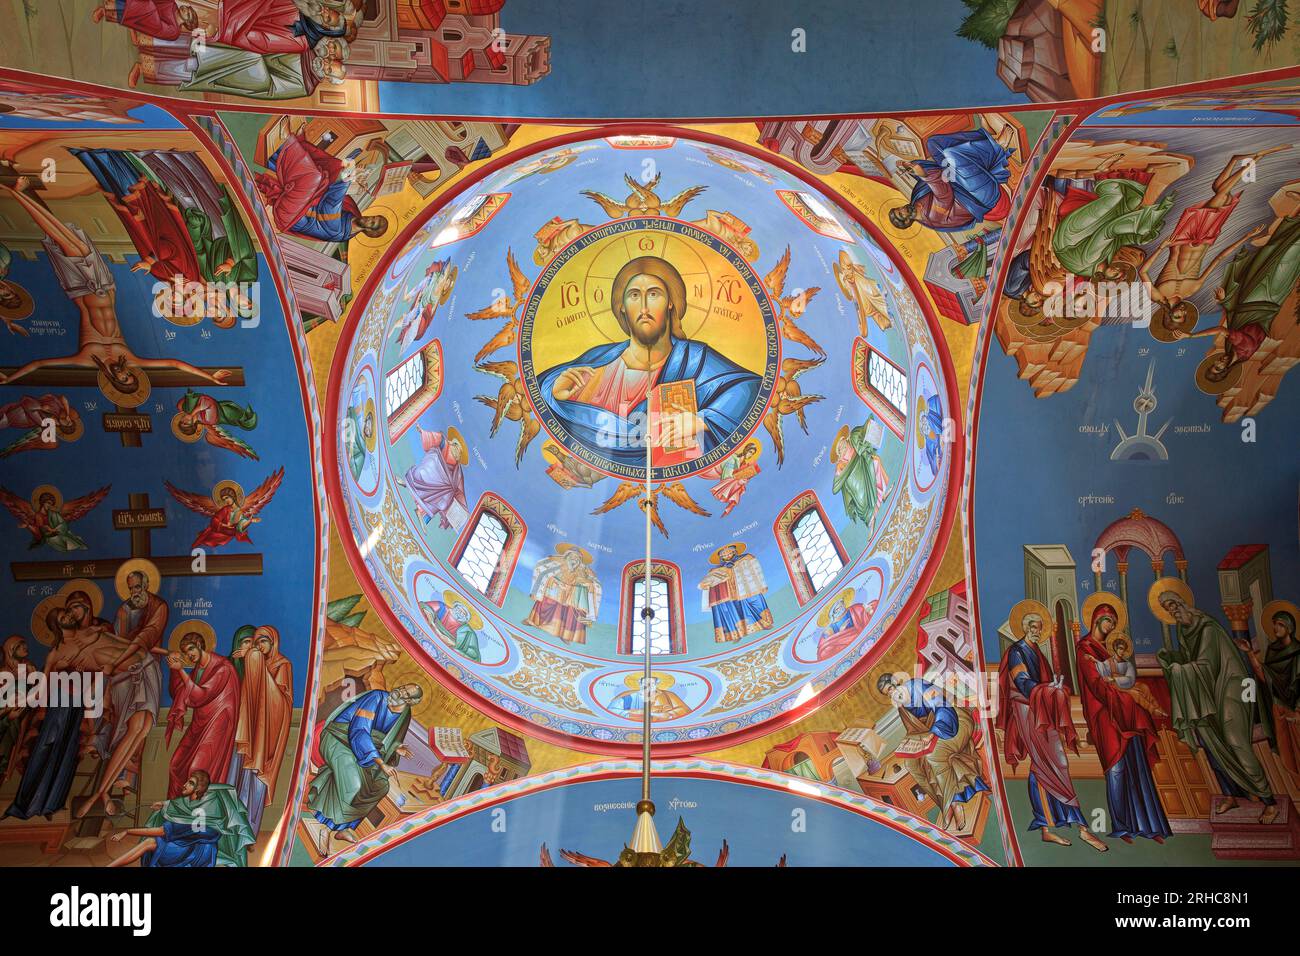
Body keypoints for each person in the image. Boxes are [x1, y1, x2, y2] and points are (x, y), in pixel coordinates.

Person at [0, 180, 232, 392]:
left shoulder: (87, 358)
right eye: (130, 377)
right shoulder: (129, 358)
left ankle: (18, 193)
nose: (125, 374)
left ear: (112, 380)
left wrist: (11, 379)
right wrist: (208, 377)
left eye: (122, 379)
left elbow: (40, 364)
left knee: (62, 240)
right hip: (106, 286)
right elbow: (173, 363)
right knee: (69, 239)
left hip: (80, 290)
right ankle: (21, 193)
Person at [537, 256, 761, 468]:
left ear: (671, 303)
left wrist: (703, 420)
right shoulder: (598, 361)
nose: (644, 307)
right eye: (634, 295)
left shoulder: (695, 359)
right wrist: (555, 396)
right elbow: (543, 396)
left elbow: (750, 389)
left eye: (654, 294)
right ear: (622, 306)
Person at [1154, 581, 1278, 823]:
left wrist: (1180, 670)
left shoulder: (1207, 627)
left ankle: (1269, 800)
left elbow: (1207, 664)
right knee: (1210, 742)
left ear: (1182, 603)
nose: (1172, 612)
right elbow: (1193, 660)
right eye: (1168, 610)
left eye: (1173, 605)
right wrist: (1172, 658)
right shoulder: (1183, 630)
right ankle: (1230, 794)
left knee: (1236, 742)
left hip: (1229, 688)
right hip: (1207, 691)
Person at [997, 604, 1107, 851]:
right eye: (1033, 627)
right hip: (1027, 711)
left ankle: (1048, 826)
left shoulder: (1037, 651)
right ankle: (1081, 828)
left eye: (1040, 627)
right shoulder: (1017, 651)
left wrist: (1053, 688)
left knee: (1048, 765)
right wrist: (1048, 690)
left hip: (1042, 709)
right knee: (1052, 763)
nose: (1037, 631)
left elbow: (1041, 682)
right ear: (1024, 628)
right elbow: (1023, 682)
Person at [76, 568, 168, 819]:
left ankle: (109, 790)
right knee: (128, 728)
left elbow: (145, 639)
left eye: (138, 587)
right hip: (125, 672)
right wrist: (115, 665)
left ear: (147, 584)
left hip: (147, 669)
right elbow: (119, 642)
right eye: (130, 588)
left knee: (143, 729)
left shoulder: (159, 606)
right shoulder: (123, 611)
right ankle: (103, 793)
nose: (134, 592)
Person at [1075, 603, 1172, 844]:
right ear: (1097, 620)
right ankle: (1122, 826)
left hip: (1126, 713)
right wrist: (1125, 698)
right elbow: (1096, 685)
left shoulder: (1108, 652)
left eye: (1113, 624)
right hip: (1105, 716)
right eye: (1108, 621)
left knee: (1138, 767)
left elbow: (1122, 677)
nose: (1110, 627)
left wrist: (1126, 695)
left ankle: (1149, 825)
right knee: (1116, 768)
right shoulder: (1084, 648)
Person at [307, 683, 422, 853]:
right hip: (339, 738)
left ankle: (343, 828)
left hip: (367, 751)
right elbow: (359, 730)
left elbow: (388, 739)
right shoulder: (376, 697)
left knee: (380, 786)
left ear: (411, 702)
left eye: (406, 693)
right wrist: (381, 763)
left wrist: (396, 748)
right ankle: (326, 827)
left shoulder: (405, 714)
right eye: (403, 687)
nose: (399, 691)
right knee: (354, 784)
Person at [877, 672, 988, 832]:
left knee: (933, 756)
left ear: (900, 682)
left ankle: (954, 803)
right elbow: (913, 730)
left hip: (954, 724)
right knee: (912, 764)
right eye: (888, 693)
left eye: (892, 688)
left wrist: (934, 732)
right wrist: (910, 745)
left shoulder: (920, 686)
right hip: (930, 736)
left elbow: (943, 707)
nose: (893, 694)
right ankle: (944, 804)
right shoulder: (901, 705)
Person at [256, 132, 388, 243]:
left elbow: (331, 203)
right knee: (330, 170)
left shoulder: (338, 230)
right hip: (305, 206)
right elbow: (333, 198)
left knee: (313, 178)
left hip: (292, 216)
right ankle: (275, 154)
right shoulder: (352, 217)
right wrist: (346, 174)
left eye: (372, 223)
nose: (369, 219)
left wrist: (346, 179)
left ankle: (284, 142)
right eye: (373, 217)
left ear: (368, 231)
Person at [108, 770, 254, 867]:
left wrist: (127, 831)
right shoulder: (191, 801)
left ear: (198, 789)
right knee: (152, 843)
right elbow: (178, 804)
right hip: (186, 843)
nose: (184, 785)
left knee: (150, 842)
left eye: (190, 783)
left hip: (194, 851)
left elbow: (162, 831)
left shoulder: (201, 812)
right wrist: (164, 804)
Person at [228, 625, 293, 832]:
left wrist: (254, 662)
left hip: (269, 735)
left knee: (255, 781)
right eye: (256, 642)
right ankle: (233, 826)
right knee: (240, 779)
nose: (259, 646)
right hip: (252, 732)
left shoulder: (282, 664)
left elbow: (280, 702)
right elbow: (249, 699)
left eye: (264, 641)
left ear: (273, 642)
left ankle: (249, 829)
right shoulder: (255, 664)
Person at [889, 128, 1013, 233]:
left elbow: (927, 182)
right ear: (907, 221)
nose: (901, 209)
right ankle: (999, 145)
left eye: (897, 209)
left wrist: (910, 168)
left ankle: (985, 136)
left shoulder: (916, 201)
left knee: (934, 143)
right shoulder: (932, 217)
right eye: (900, 214)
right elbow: (944, 195)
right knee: (951, 154)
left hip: (958, 185)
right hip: (977, 196)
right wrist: (923, 175)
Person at [165, 630, 240, 799]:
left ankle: (196, 813)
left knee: (197, 770)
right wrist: (175, 670)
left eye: (191, 649)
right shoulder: (198, 669)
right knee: (175, 764)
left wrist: (182, 671)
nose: (189, 655)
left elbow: (201, 696)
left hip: (217, 725)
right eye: (185, 653)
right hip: (200, 723)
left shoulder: (223, 668)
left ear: (199, 645)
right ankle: (177, 808)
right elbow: (179, 692)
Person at [526, 545, 601, 645]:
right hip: (556, 591)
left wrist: (581, 584)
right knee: (548, 602)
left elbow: (591, 583)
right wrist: (557, 583)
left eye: (577, 558)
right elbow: (547, 575)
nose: (574, 560)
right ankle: (533, 621)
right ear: (566, 557)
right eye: (572, 557)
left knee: (572, 612)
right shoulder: (558, 566)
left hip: (573, 595)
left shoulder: (583, 571)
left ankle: (566, 635)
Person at [399, 425, 468, 532]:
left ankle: (421, 512)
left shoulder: (457, 468)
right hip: (435, 465)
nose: (458, 451)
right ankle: (407, 484)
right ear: (454, 443)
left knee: (446, 498)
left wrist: (463, 507)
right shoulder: (445, 444)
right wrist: (422, 432)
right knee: (430, 464)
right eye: (457, 447)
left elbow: (459, 487)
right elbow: (436, 438)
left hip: (445, 481)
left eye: (460, 451)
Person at [698, 543, 772, 643]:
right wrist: (706, 583)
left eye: (729, 552)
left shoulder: (745, 559)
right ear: (721, 557)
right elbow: (709, 580)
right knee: (731, 612)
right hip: (728, 595)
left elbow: (754, 569)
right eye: (724, 554)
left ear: (734, 551)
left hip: (745, 589)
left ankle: (764, 623)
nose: (727, 555)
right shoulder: (716, 569)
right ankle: (735, 633)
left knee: (754, 603)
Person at [1261, 603, 1300, 781]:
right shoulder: (1272, 651)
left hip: (1295, 708)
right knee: (1286, 750)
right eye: (1275, 624)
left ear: (1290, 628)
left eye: (1281, 624)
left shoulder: (1298, 652)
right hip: (1278, 706)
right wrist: (1250, 655)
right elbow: (1266, 676)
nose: (1276, 628)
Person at [832, 419, 889, 530]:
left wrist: (868, 426)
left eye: (843, 442)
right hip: (853, 481)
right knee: (861, 501)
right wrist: (844, 471)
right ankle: (870, 520)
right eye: (840, 447)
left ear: (845, 440)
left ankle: (882, 495)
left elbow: (861, 441)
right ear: (838, 452)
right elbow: (836, 485)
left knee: (875, 462)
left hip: (863, 467)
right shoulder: (840, 464)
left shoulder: (852, 444)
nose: (843, 446)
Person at [814, 588, 878, 660]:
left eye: (841, 605)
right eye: (837, 609)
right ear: (833, 613)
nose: (841, 608)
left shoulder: (853, 609)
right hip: (845, 642)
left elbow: (864, 611)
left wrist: (867, 610)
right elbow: (825, 645)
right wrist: (841, 632)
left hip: (861, 633)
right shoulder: (830, 628)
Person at [419, 592, 482, 662]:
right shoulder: (442, 607)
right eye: (459, 609)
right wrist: (431, 621)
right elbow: (423, 606)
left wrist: (453, 646)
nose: (460, 613)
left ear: (466, 618)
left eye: (464, 613)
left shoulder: (468, 632)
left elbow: (474, 656)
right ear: (455, 606)